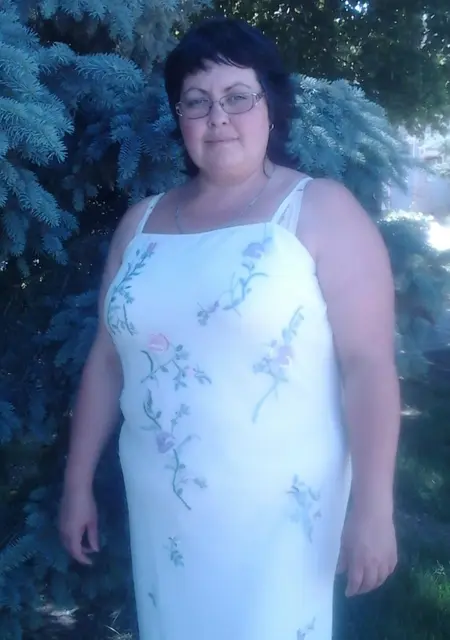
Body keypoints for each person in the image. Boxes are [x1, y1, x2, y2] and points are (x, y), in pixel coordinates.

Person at [59, 17, 400, 640]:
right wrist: (77, 482)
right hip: (165, 512)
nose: (218, 117)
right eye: (196, 101)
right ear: (180, 118)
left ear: (271, 106)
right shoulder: (140, 224)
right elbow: (107, 361)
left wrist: (375, 506)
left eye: (238, 96)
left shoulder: (320, 210)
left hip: (276, 520)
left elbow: (368, 365)